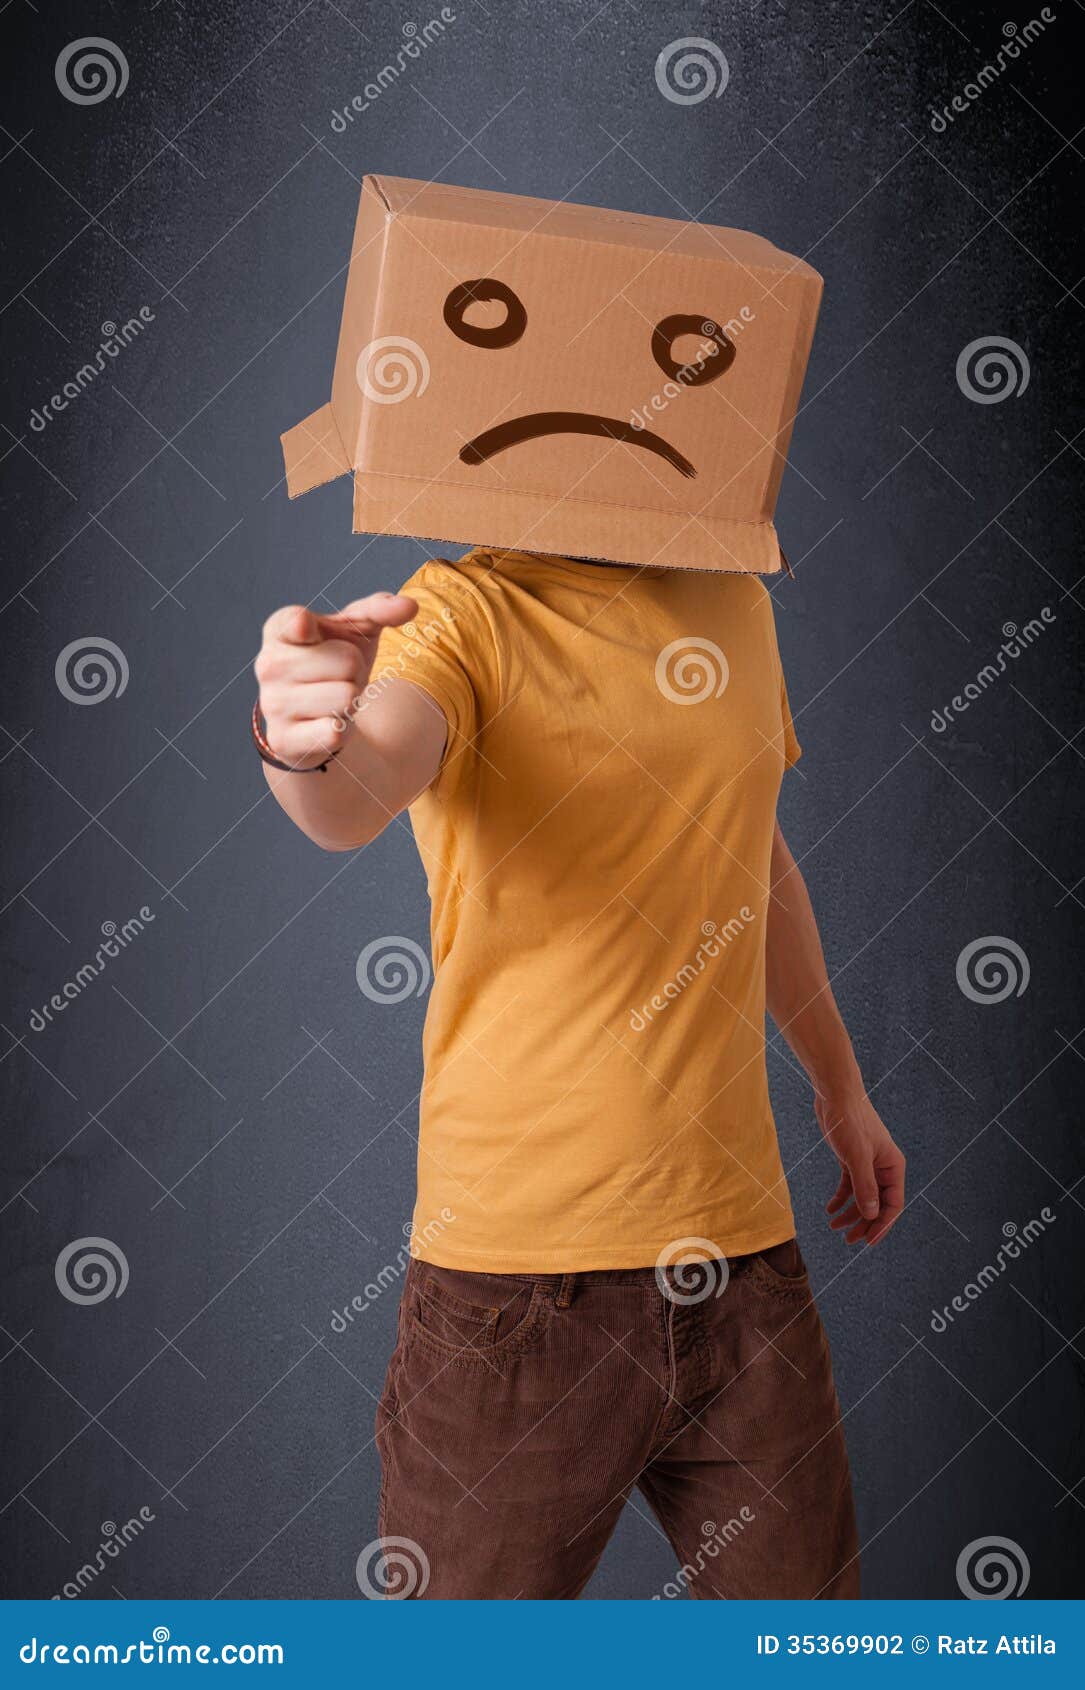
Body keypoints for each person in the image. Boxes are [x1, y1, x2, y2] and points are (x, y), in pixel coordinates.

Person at [253, 545, 906, 1599]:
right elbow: (353, 795)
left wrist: (839, 1085)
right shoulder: (457, 613)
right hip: (515, 1299)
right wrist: (298, 742)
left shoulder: (733, 601)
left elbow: (748, 845)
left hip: (743, 1270)